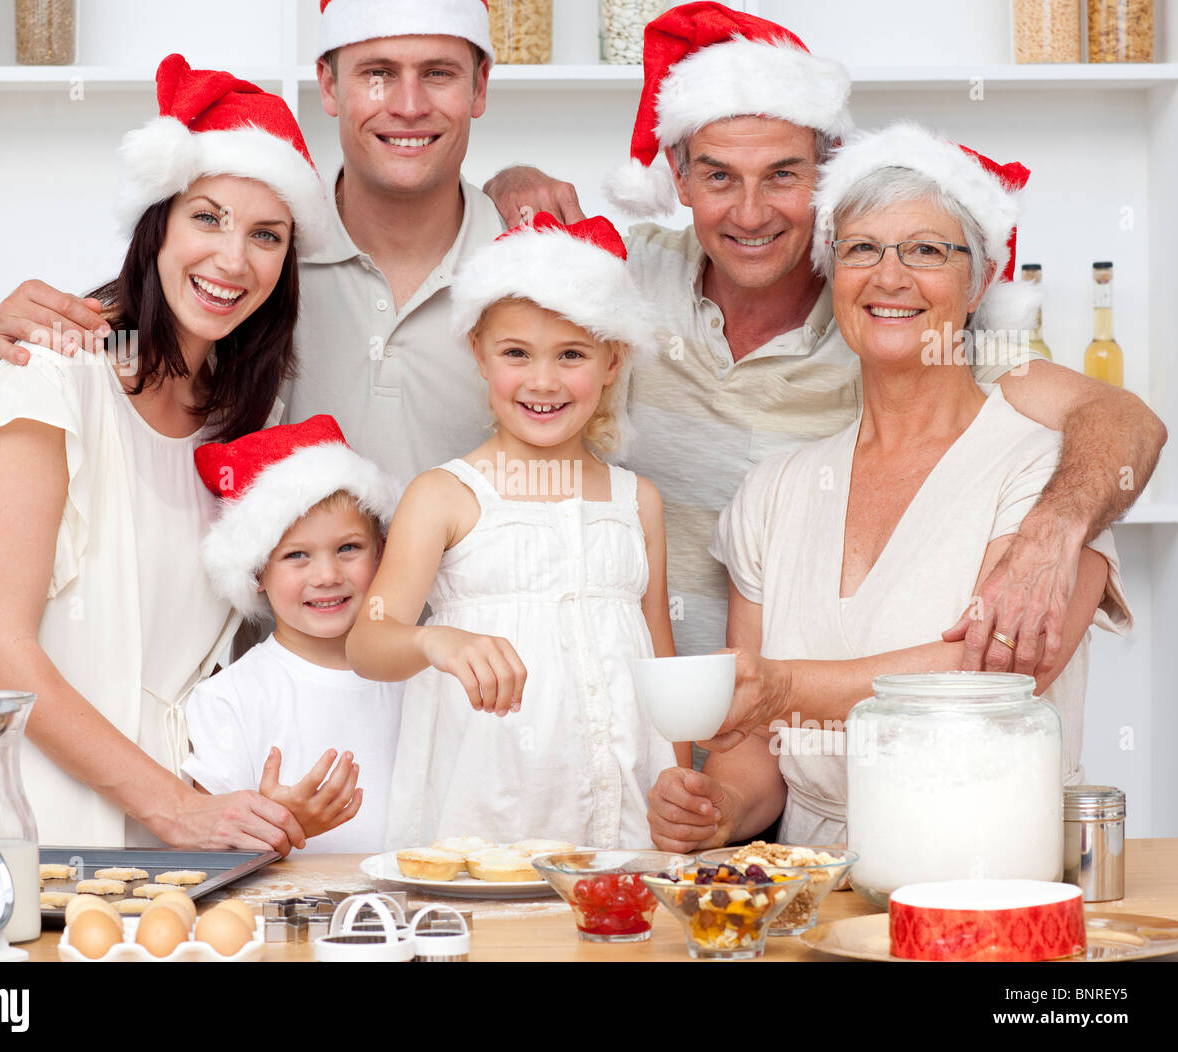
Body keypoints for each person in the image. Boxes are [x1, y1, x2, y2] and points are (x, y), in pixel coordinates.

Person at [485, 2, 1165, 677]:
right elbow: (494, 314)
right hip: (637, 721)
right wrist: (505, 186)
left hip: (803, 727)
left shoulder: (894, 321)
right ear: (679, 174)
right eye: (720, 175)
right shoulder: (618, 281)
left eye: (783, 174)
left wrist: (1053, 533)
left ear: (827, 169)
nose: (751, 214)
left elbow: (1123, 421)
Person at [647, 123, 1132, 850]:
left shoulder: (1053, 473)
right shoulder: (773, 491)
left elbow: (995, 676)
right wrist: (717, 805)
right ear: (833, 276)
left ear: (978, 285)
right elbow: (754, 759)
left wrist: (783, 687)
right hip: (809, 898)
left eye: (927, 250)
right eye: (862, 249)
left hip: (983, 869)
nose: (890, 276)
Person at [0, 55, 333, 851]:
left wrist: (238, 804)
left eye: (266, 235)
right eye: (208, 218)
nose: (234, 260)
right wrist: (172, 807)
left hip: (193, 845)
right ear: (157, 222)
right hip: (50, 835)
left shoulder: (239, 418)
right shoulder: (49, 375)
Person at [0, 0, 574, 484]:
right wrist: (46, 343)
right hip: (274, 637)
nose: (409, 105)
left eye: (438, 73)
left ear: (480, 87)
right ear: (329, 84)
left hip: (485, 635)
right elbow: (146, 369)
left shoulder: (539, 269)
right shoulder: (256, 269)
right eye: (378, 73)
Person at [346, 214, 685, 848]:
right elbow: (368, 642)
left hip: (628, 830)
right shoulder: (443, 496)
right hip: (488, 824)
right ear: (478, 352)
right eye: (516, 354)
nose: (543, 381)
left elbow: (660, 663)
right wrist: (434, 642)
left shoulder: (637, 502)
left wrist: (680, 784)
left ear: (614, 361)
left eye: (572, 355)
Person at [183, 415, 405, 853]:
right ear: (257, 571)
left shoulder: (416, 674)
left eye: (348, 548)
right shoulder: (230, 697)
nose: (326, 575)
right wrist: (282, 826)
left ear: (380, 551)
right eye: (296, 555)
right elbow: (212, 851)